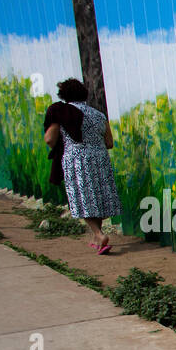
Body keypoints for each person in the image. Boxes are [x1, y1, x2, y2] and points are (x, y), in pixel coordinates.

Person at [43, 79, 120, 254]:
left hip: (76, 159)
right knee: (97, 197)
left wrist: (61, 145)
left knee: (82, 198)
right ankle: (97, 239)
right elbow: (109, 143)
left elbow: (49, 139)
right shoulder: (98, 115)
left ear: (63, 95)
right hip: (100, 158)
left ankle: (99, 234)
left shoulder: (63, 113)